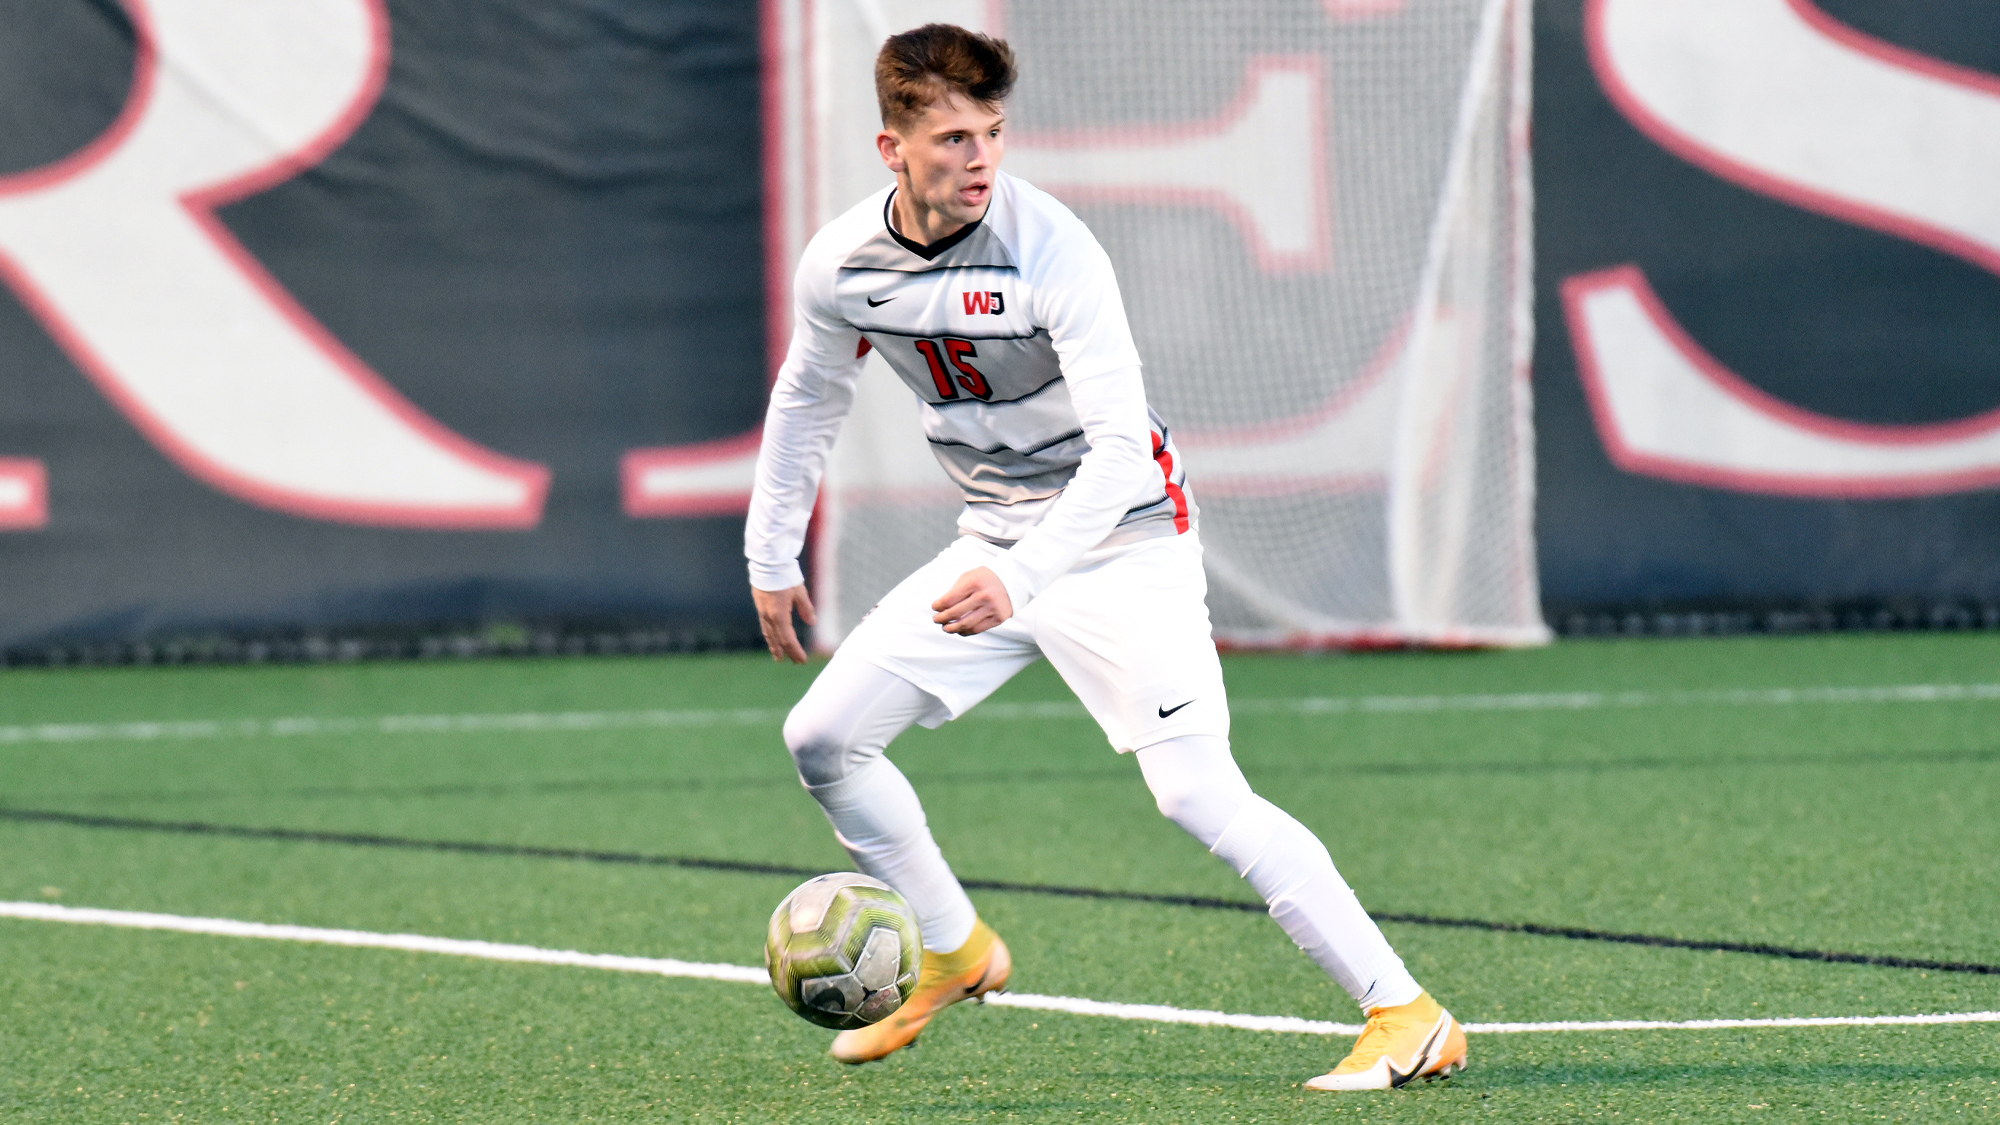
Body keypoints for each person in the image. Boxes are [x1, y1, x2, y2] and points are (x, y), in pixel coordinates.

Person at [745, 22, 1466, 1091]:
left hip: (1121, 543)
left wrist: (1022, 577)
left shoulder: (1052, 249)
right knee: (824, 739)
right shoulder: (842, 265)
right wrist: (770, 551)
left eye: (992, 132)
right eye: (950, 137)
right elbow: (809, 395)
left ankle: (1405, 1013)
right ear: (891, 149)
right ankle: (952, 949)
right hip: (996, 546)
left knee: (1194, 796)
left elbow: (1124, 452)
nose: (980, 157)